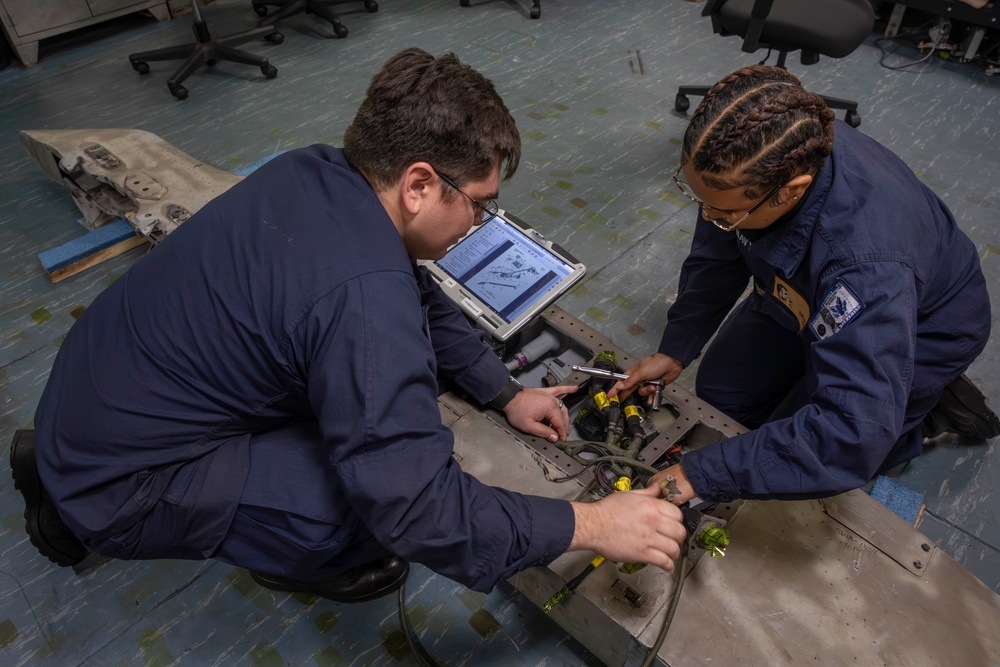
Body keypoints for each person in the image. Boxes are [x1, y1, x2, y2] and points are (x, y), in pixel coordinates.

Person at [12, 47, 686, 602]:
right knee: (364, 512)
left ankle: (55, 466)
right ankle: (70, 514)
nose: (479, 224)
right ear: (419, 184)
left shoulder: (316, 170)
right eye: (478, 205)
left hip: (93, 387)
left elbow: (418, 296)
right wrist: (593, 521)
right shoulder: (364, 300)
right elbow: (418, 505)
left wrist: (504, 392)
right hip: (123, 483)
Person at [612, 65, 999, 506]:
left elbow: (852, 434)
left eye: (723, 211)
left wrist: (705, 474)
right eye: (703, 202)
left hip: (923, 321)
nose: (709, 218)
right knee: (725, 397)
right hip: (800, 290)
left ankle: (923, 408)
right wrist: (677, 346)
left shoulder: (867, 266)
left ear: (791, 190)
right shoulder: (766, 153)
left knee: (846, 435)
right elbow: (718, 253)